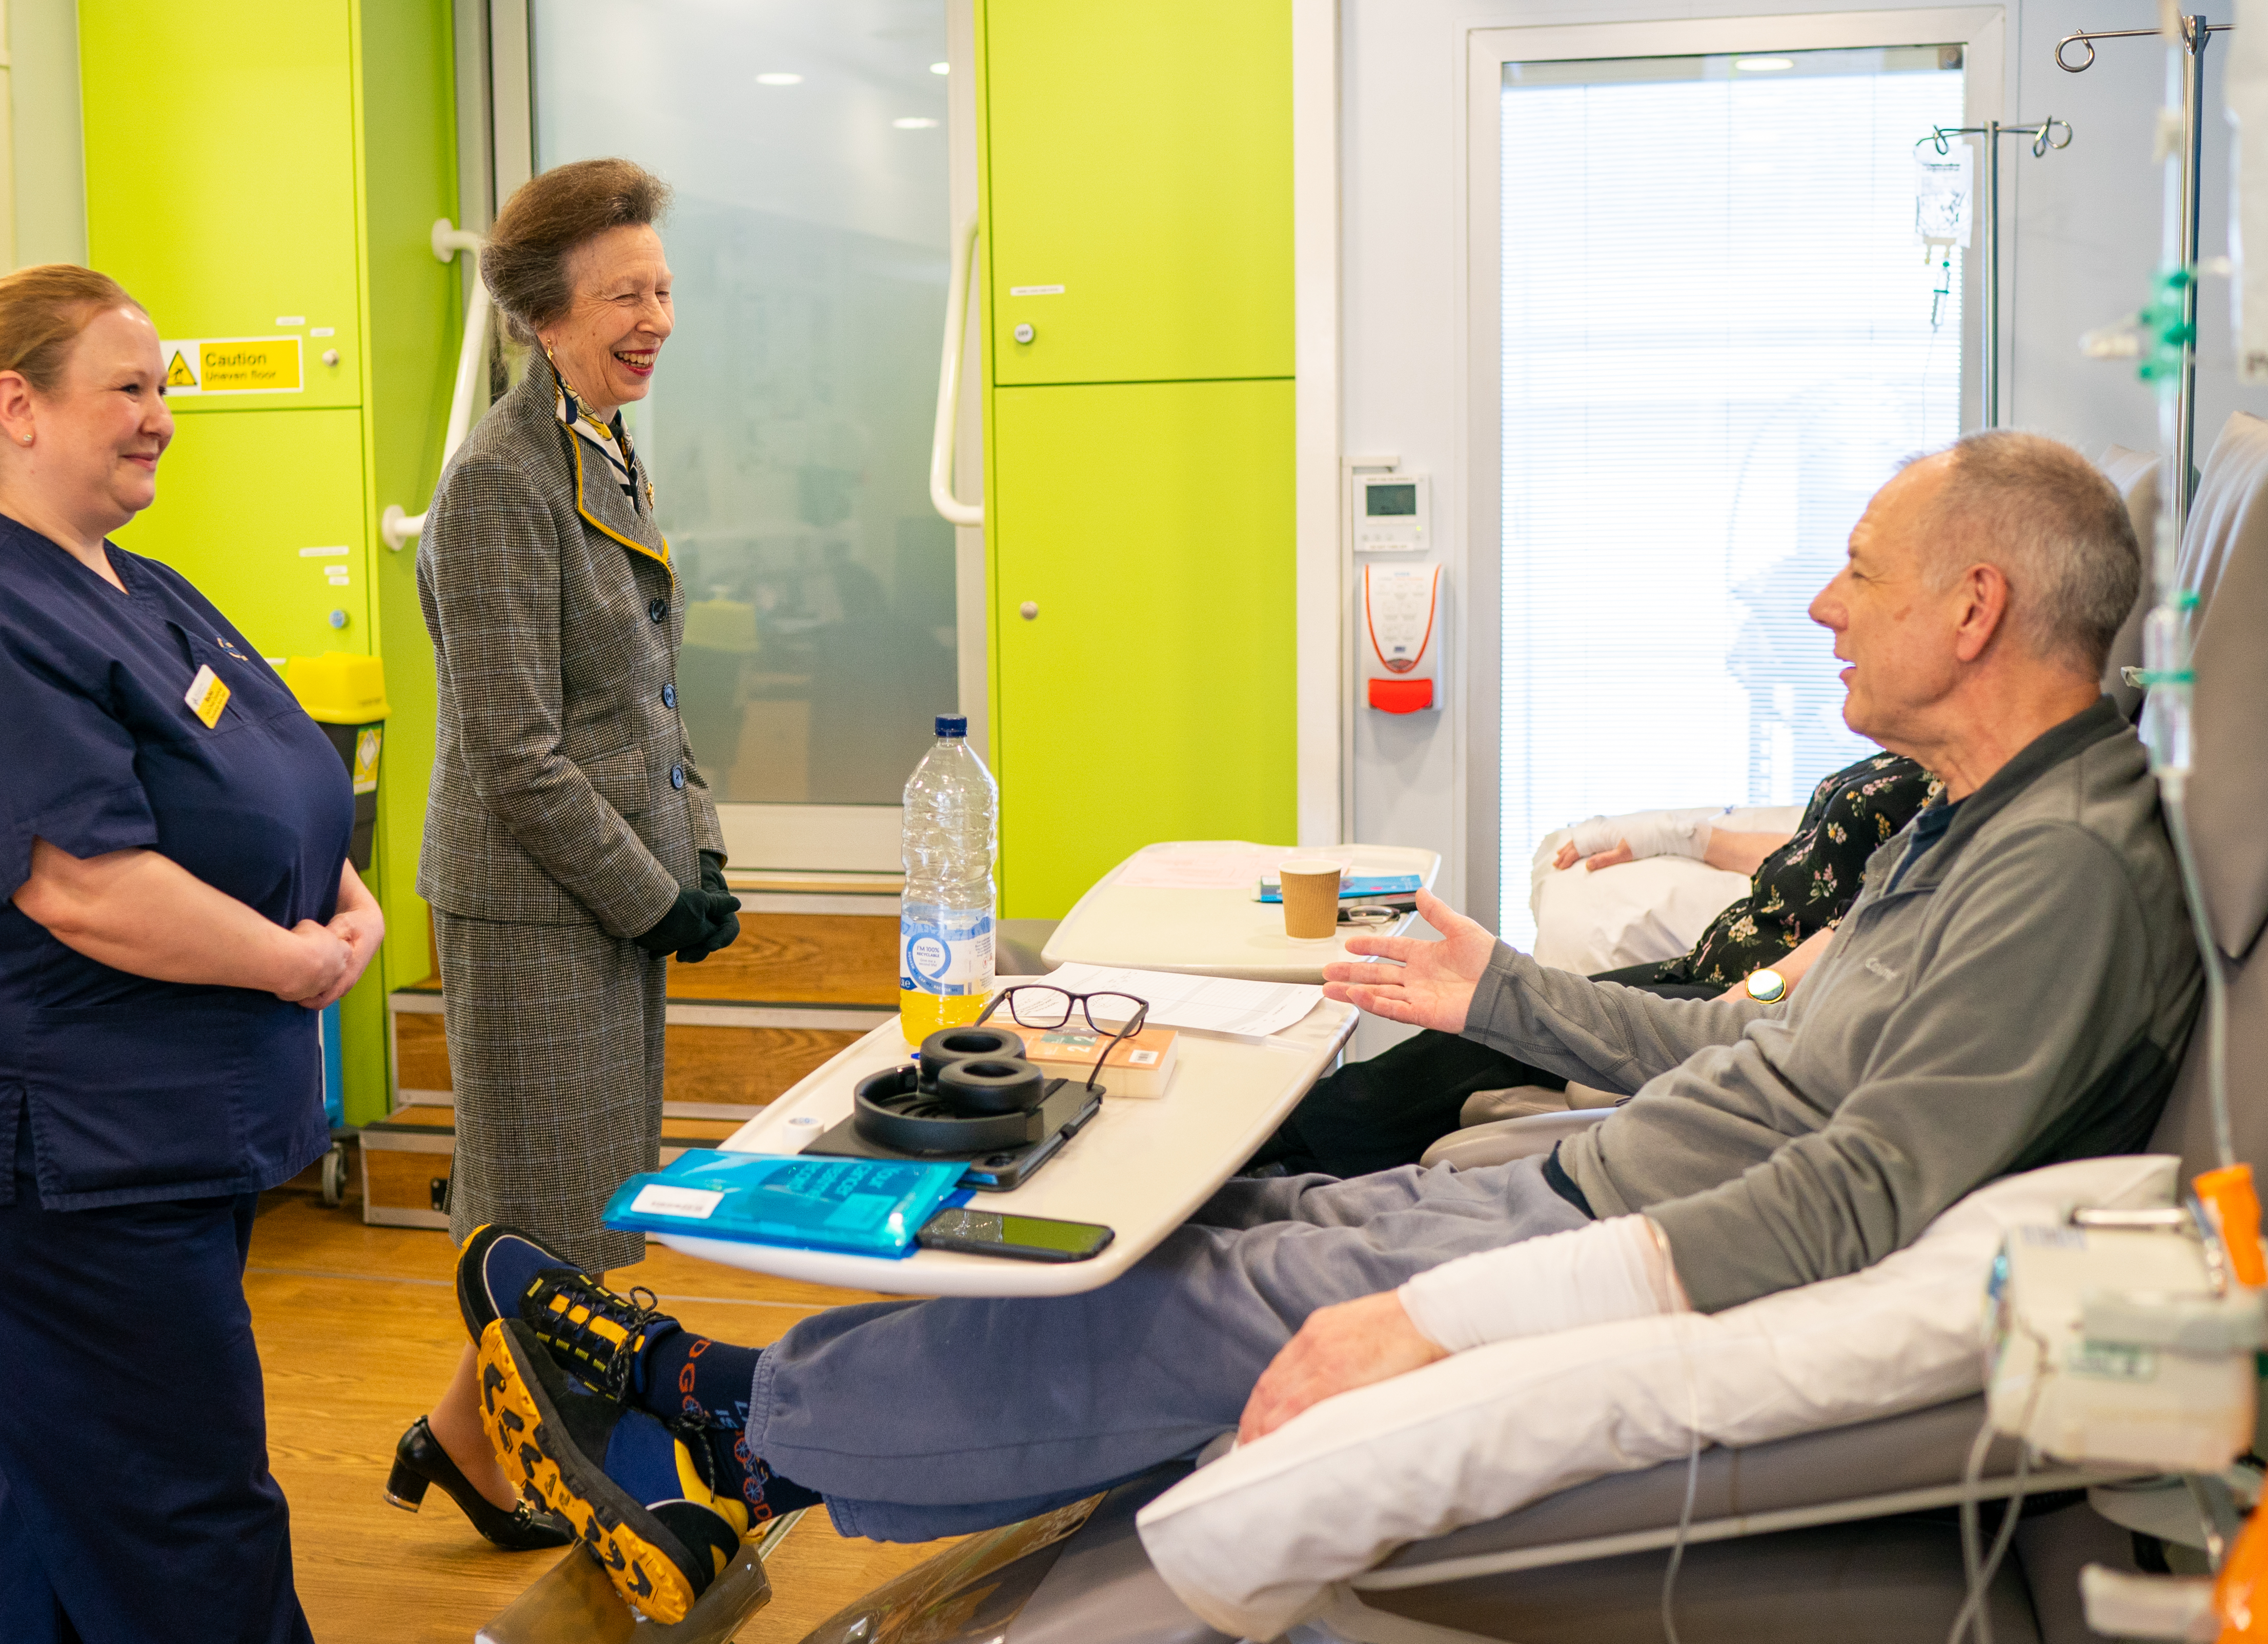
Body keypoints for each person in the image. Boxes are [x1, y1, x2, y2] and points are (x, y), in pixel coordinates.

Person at [413, 430, 2202, 1623]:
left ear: (1974, 606)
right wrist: (1496, 995)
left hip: (1619, 1241)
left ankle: (716, 1419)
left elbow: (1860, 1200)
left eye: (1860, 570)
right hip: (1603, 1181)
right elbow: (1757, 1069)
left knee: (1208, 1297)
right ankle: (753, 1451)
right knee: (1213, 1221)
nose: (1823, 603)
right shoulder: (1974, 821)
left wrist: (1455, 1311)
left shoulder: (2062, 870)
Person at [0, 265, 382, 1641]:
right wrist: (293, 965)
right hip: (55, 1149)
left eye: (164, 389)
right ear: (18, 407)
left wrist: (345, 896)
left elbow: (263, 771)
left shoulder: (139, 585)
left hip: (151, 1128)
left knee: (78, 1499)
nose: (161, 417)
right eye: (130, 389)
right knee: (180, 1519)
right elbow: (83, 885)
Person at [397, 157, 741, 1549]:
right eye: (623, 296)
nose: (656, 319)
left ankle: (465, 1437)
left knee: (580, 1208)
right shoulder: (498, 478)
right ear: (545, 313)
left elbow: (648, 689)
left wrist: (699, 850)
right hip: (534, 905)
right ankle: (543, 1473)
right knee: (546, 1222)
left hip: (600, 887)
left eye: (662, 288)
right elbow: (513, 752)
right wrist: (653, 896)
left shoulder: (596, 439)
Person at [1256, 750, 1935, 1176]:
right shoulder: (1913, 759)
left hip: (1748, 997)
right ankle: (1284, 1142)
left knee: (1487, 1035)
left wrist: (1748, 1002)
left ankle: (1277, 1148)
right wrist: (1677, 835)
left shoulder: (1962, 798)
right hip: (1706, 967)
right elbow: (1817, 853)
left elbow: (1865, 927)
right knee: (1481, 1027)